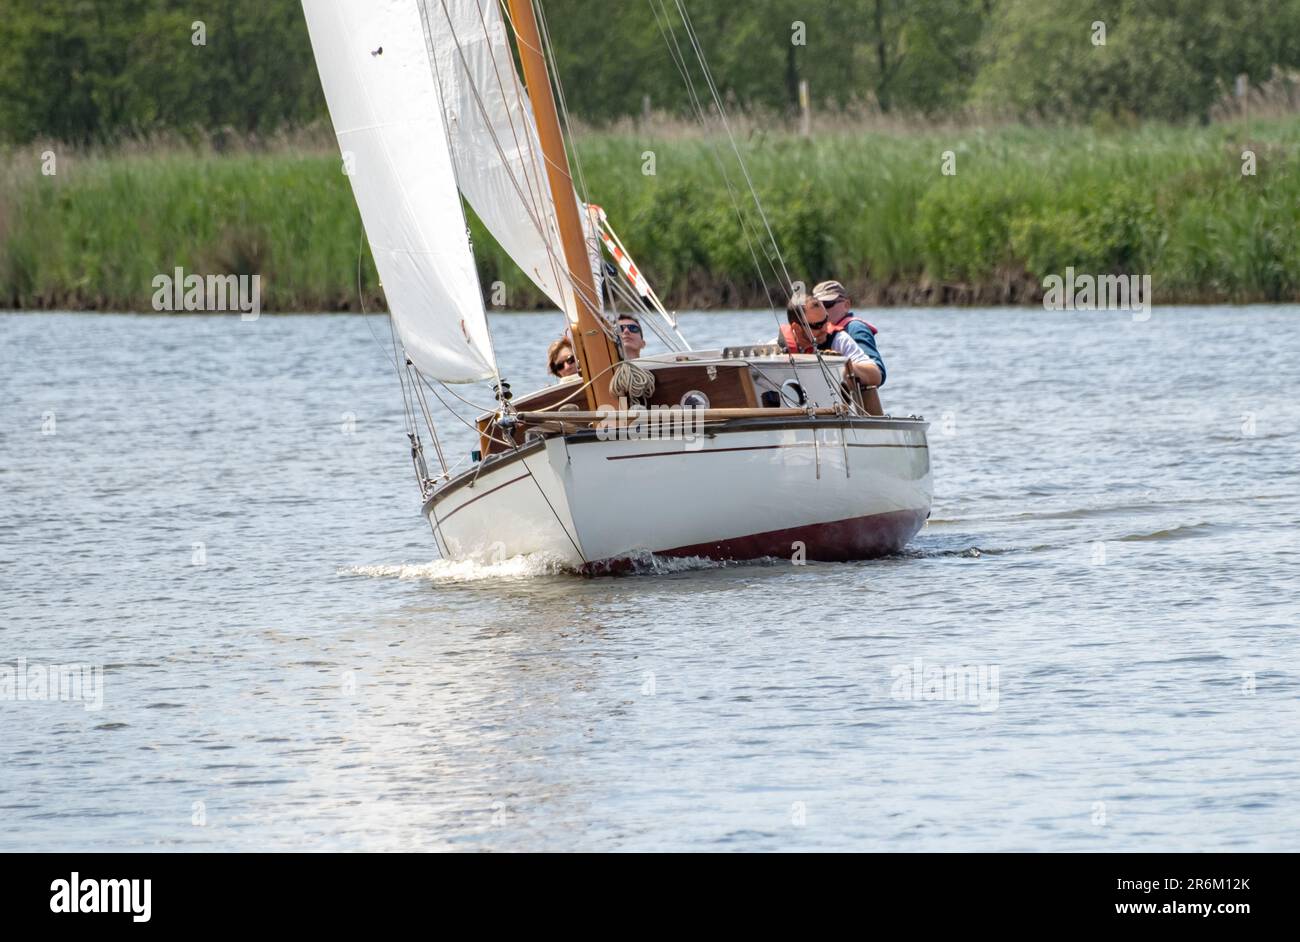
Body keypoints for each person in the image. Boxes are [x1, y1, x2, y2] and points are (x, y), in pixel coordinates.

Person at [777, 291, 880, 388]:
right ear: (797, 328)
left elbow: (876, 375)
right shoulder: (777, 350)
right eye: (817, 325)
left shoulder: (839, 340)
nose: (825, 329)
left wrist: (841, 367)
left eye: (826, 320)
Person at [811, 280, 885, 386]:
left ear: (846, 305)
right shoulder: (813, 332)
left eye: (828, 304)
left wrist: (843, 366)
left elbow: (879, 372)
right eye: (818, 305)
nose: (823, 310)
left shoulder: (855, 328)